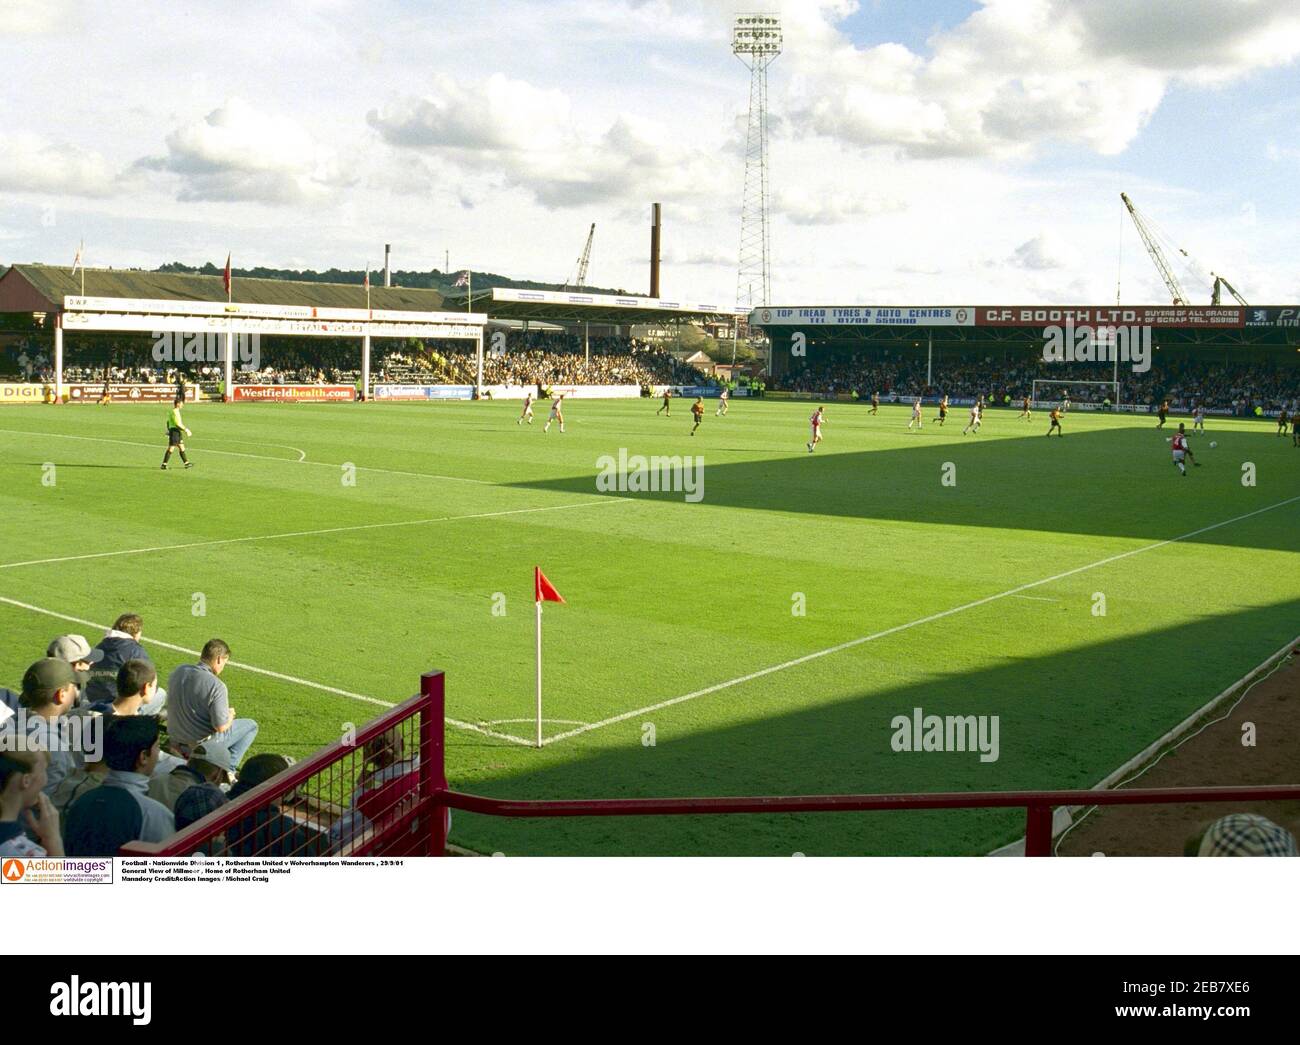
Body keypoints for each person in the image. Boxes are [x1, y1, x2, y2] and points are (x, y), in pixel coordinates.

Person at [165, 639, 259, 768]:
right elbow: (220, 727)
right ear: (219, 659)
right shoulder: (216, 686)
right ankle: (227, 769)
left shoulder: (179, 670)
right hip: (200, 745)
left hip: (175, 737)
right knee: (251, 725)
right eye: (224, 663)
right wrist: (230, 715)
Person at [94, 716, 174, 842]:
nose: (158, 753)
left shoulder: (80, 802)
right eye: (157, 747)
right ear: (143, 757)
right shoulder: (153, 814)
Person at [17, 659, 81, 796]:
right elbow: (49, 799)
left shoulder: (12, 720)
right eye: (73, 688)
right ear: (61, 695)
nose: (76, 692)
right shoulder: (52, 747)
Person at [83, 614, 163, 714]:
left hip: (93, 699)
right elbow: (150, 679)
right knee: (160, 694)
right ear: (136, 632)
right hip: (117, 704)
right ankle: (137, 721)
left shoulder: (100, 645)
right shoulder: (135, 651)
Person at [0, 748, 64, 858]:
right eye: (44, 770)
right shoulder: (22, 853)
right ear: (26, 781)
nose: (46, 780)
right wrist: (53, 839)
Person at [148, 739, 232, 812]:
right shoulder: (204, 802)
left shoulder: (155, 780)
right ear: (217, 775)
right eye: (222, 780)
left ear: (189, 762)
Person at [161, 398, 193, 469]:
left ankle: (186, 463)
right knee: (171, 448)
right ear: (178, 404)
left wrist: (168, 429)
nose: (182, 405)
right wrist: (186, 430)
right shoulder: (175, 412)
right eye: (181, 403)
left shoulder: (173, 411)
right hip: (175, 431)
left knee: (181, 447)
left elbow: (168, 421)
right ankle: (164, 464)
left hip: (176, 431)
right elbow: (177, 424)